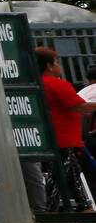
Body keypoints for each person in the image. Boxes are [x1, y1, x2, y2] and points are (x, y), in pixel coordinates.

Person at [38, 47, 96, 213]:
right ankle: (49, 208)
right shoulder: (58, 84)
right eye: (56, 62)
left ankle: (85, 205)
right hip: (64, 137)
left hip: (53, 136)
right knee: (60, 173)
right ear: (49, 66)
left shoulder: (39, 83)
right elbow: (80, 107)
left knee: (72, 172)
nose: (59, 66)